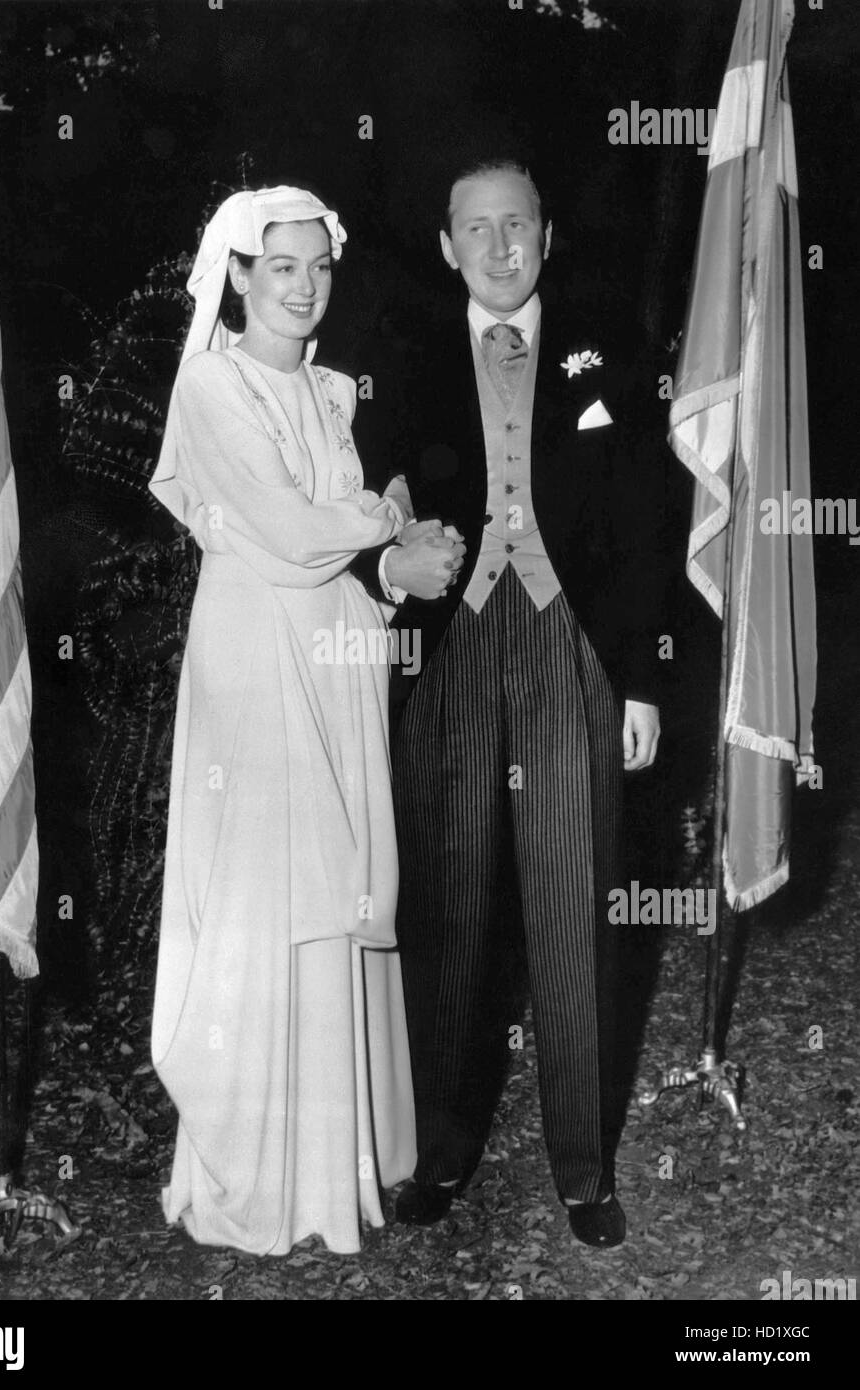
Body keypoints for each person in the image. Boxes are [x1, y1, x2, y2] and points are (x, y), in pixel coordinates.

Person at [147, 186, 462, 1256]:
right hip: (254, 663)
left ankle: (340, 1166)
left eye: (318, 266)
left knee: (342, 883)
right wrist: (386, 528)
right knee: (273, 886)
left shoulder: (330, 393)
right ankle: (257, 1173)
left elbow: (333, 558)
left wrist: (393, 576)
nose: (302, 285)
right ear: (237, 276)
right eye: (280, 266)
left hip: (335, 660)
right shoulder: (210, 383)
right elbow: (282, 531)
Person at [386, 158, 664, 1248]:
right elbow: (367, 509)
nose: (500, 247)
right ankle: (442, 1152)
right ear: (446, 245)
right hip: (451, 653)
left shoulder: (611, 351)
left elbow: (646, 522)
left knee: (570, 903)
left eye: (518, 225)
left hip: (572, 644)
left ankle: (584, 1167)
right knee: (448, 907)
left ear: (546, 236)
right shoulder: (400, 364)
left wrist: (642, 678)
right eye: (477, 228)